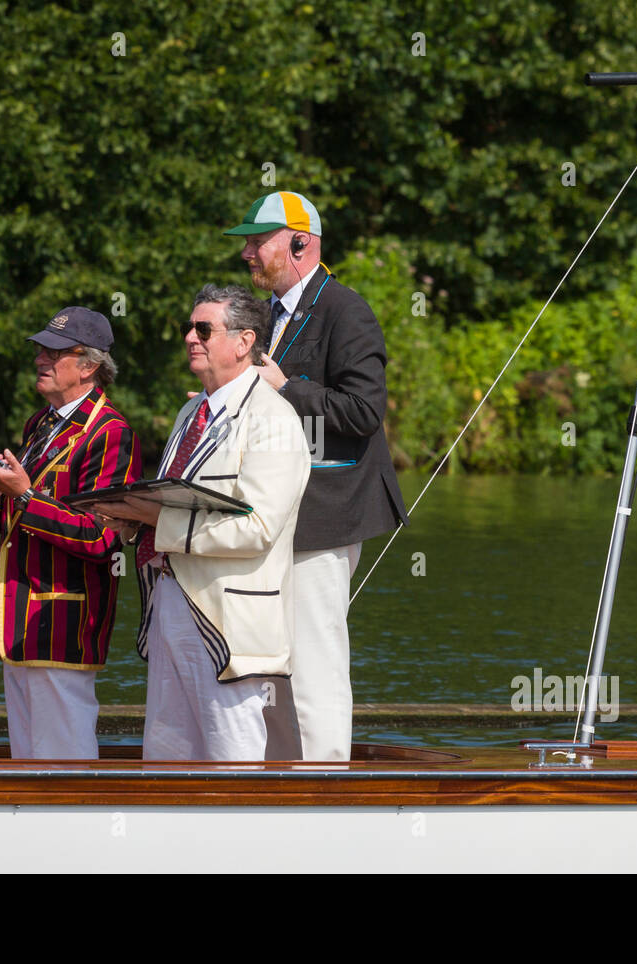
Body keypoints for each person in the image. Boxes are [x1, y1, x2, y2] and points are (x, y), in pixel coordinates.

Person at [223, 191, 409, 761]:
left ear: (301, 243)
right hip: (278, 516)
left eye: (258, 241)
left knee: (315, 661)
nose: (248, 253)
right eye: (247, 243)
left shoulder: (346, 309)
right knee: (273, 661)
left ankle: (328, 784)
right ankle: (282, 780)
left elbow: (364, 412)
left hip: (327, 514)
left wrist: (286, 389)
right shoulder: (268, 316)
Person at [92, 285, 309, 761]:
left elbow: (257, 529)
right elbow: (173, 502)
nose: (191, 337)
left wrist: (159, 520)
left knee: (237, 762)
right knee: (167, 758)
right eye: (189, 327)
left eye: (204, 329)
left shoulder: (275, 420)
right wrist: (127, 518)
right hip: (168, 604)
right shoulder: (190, 411)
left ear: (244, 341)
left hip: (231, 624)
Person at [0, 306, 141, 759]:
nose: (41, 359)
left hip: (65, 623)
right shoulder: (41, 422)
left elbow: (101, 539)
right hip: (22, 620)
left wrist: (23, 496)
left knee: (63, 755)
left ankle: (79, 826)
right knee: (26, 756)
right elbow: (26, 515)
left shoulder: (111, 433)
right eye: (41, 349)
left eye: (56, 352)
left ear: (89, 365)